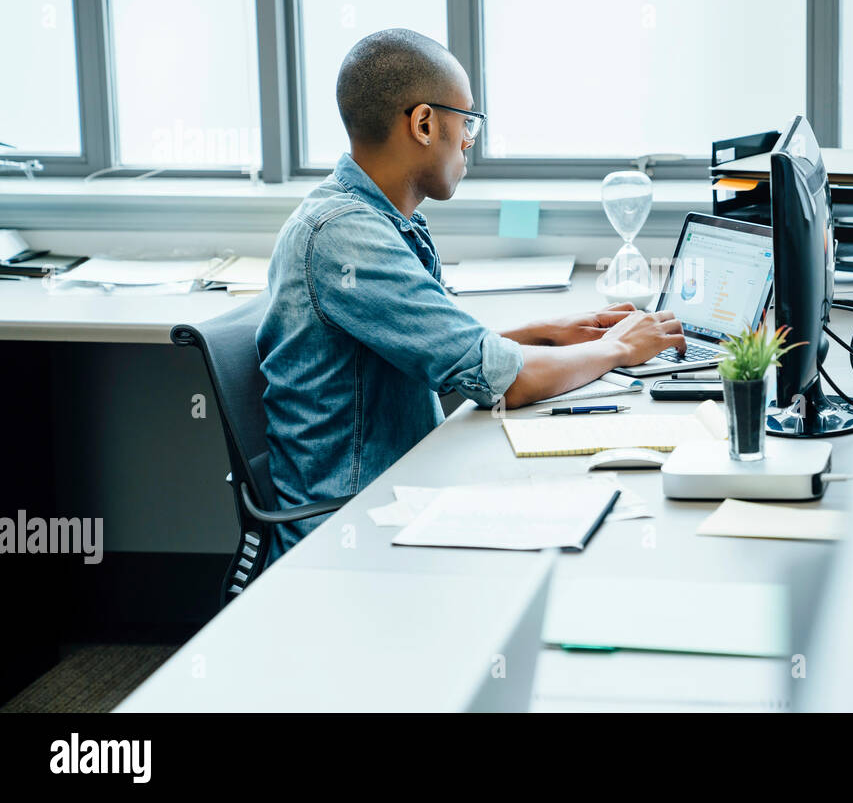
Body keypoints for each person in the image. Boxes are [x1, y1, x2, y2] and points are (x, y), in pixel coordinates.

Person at [256, 28, 685, 560]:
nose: (468, 143)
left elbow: (441, 349)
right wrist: (621, 349)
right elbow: (506, 379)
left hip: (406, 484)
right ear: (424, 123)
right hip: (353, 528)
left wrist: (544, 333)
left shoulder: (382, 221)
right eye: (468, 124)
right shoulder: (345, 236)